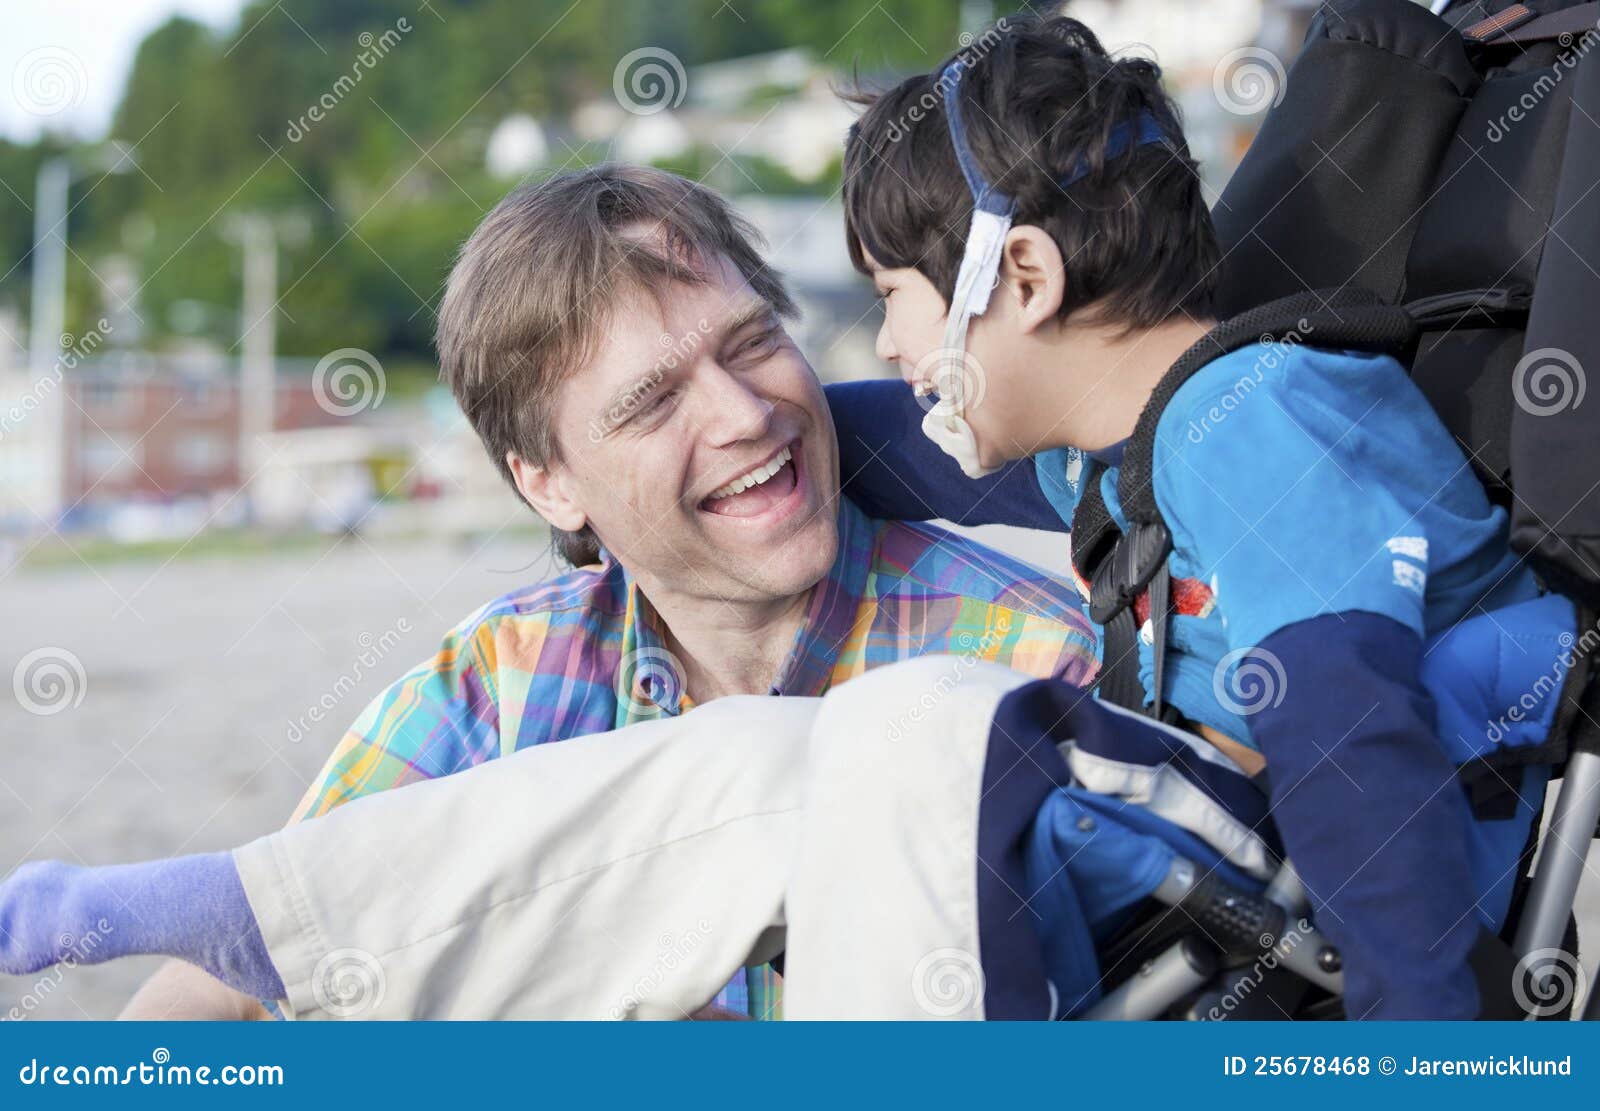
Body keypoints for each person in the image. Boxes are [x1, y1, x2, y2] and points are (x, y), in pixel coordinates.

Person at [61, 163, 1097, 1022]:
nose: (744, 414)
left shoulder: (1032, 663)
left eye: (751, 344)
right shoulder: (498, 684)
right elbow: (241, 965)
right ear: (548, 483)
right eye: (652, 401)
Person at [823, 13, 1569, 1018]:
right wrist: (726, 435)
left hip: (1310, 867)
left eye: (891, 295)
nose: (883, 343)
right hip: (1224, 850)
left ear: (1026, 279)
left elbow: (1346, 732)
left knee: (918, 750)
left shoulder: (1251, 424)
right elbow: (888, 450)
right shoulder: (1105, 459)